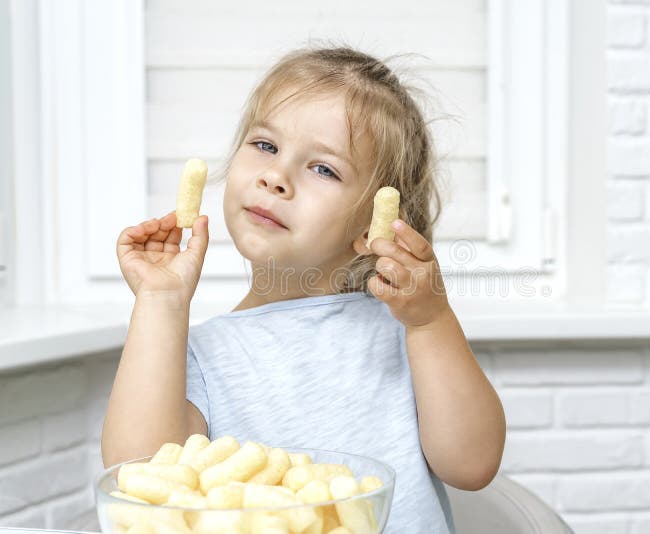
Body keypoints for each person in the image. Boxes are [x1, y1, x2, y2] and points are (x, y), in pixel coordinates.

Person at [102, 45, 506, 534]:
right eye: (266, 146)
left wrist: (432, 321)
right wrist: (160, 302)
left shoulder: (406, 333)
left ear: (371, 224)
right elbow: (140, 483)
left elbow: (473, 464)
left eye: (324, 169)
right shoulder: (195, 357)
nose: (276, 177)